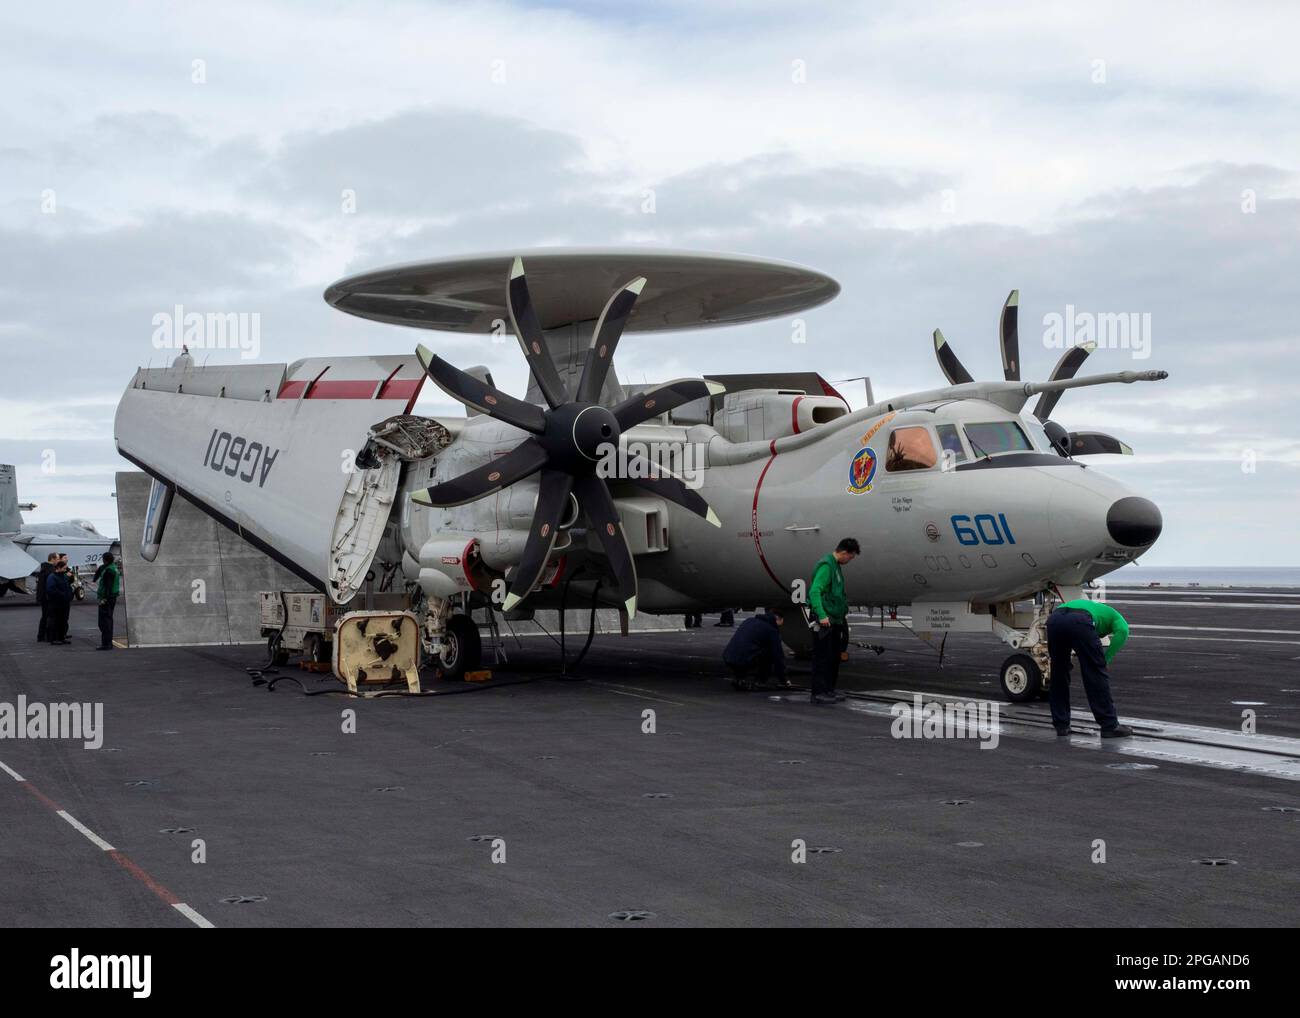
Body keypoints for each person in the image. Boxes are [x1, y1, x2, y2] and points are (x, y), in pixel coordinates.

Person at [1046, 595, 1133, 738]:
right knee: (1095, 674)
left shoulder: (1098, 610)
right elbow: (1123, 632)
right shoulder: (1117, 618)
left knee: (1059, 672)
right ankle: (1109, 725)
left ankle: (1061, 725)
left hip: (1055, 619)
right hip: (1080, 620)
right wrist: (1105, 659)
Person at [808, 538, 860, 705]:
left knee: (833, 657)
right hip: (825, 620)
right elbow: (815, 591)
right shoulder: (827, 566)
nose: (850, 561)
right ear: (844, 552)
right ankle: (818, 693)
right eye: (850, 557)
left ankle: (829, 689)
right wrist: (822, 615)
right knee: (822, 657)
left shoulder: (836, 566)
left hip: (835, 619)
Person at [722, 612, 787, 690]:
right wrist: (783, 680)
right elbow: (778, 657)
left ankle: (739, 678)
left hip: (728, 657)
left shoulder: (749, 620)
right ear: (779, 620)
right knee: (769, 652)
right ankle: (760, 681)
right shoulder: (772, 631)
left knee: (746, 650)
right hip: (743, 660)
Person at [95, 552, 123, 650]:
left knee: (104, 622)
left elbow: (108, 586)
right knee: (108, 620)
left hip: (107, 598)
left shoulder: (108, 571)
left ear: (104, 559)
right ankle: (108, 642)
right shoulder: (112, 567)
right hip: (112, 598)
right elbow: (99, 572)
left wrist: (104, 599)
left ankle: (106, 644)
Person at [44, 560, 74, 645]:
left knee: (63, 620)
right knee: (55, 620)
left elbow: (68, 585)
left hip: (65, 603)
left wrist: (69, 595)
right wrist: (63, 595)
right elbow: (51, 589)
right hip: (56, 603)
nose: (65, 570)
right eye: (64, 568)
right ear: (58, 568)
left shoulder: (64, 576)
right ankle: (54, 639)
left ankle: (61, 637)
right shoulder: (52, 577)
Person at [35, 552, 57, 642]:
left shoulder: (43, 568)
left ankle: (41, 636)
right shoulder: (50, 570)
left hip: (43, 597)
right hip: (48, 598)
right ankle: (49, 636)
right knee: (49, 617)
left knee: (44, 616)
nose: (58, 560)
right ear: (52, 559)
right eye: (57, 558)